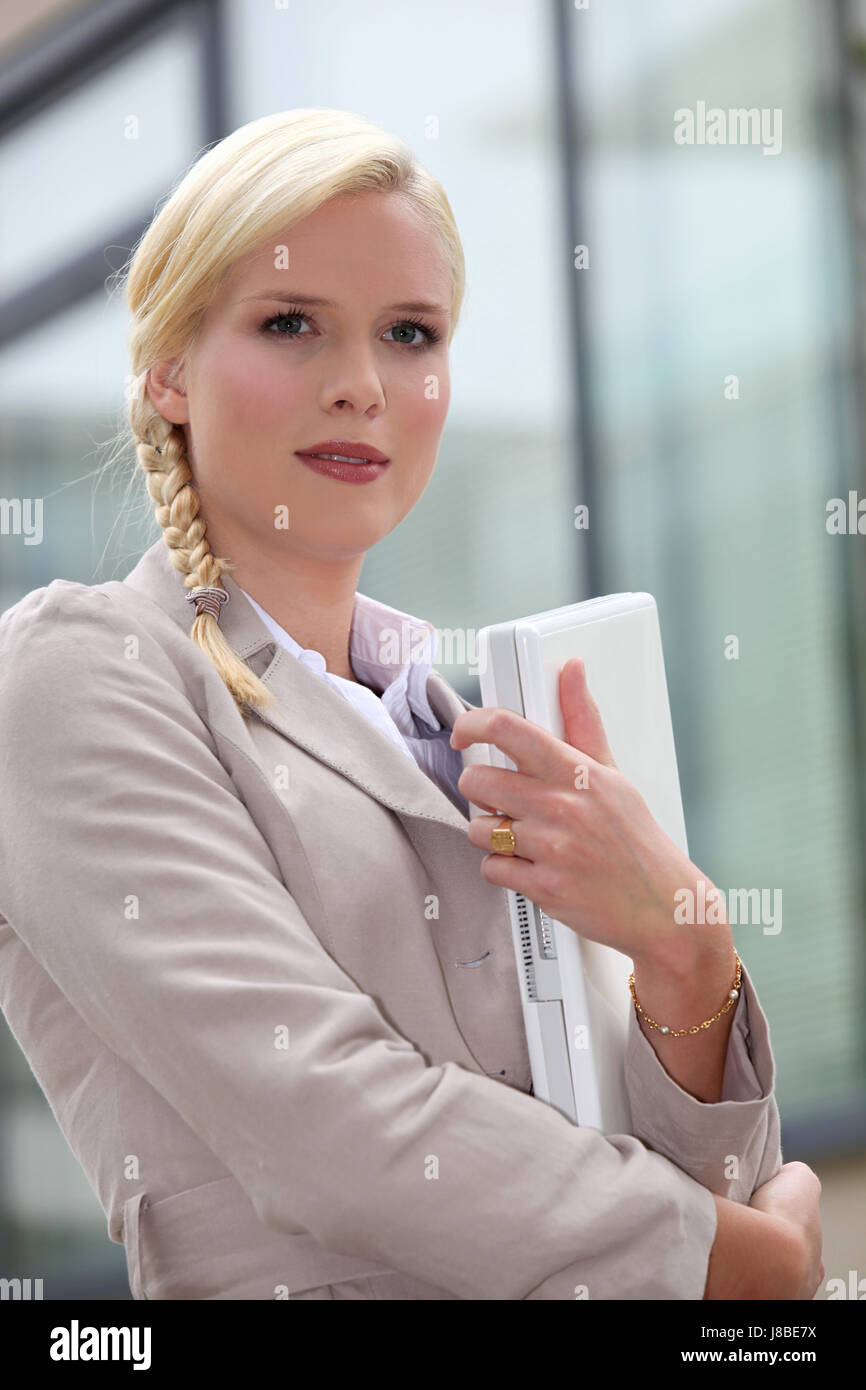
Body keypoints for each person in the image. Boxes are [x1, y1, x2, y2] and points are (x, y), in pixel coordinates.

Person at [0, 108, 822, 1301]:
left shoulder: (457, 725)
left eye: (408, 334)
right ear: (168, 370)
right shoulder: (79, 674)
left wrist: (683, 955)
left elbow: (662, 1175)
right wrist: (735, 1263)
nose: (359, 386)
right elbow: (328, 1130)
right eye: (291, 324)